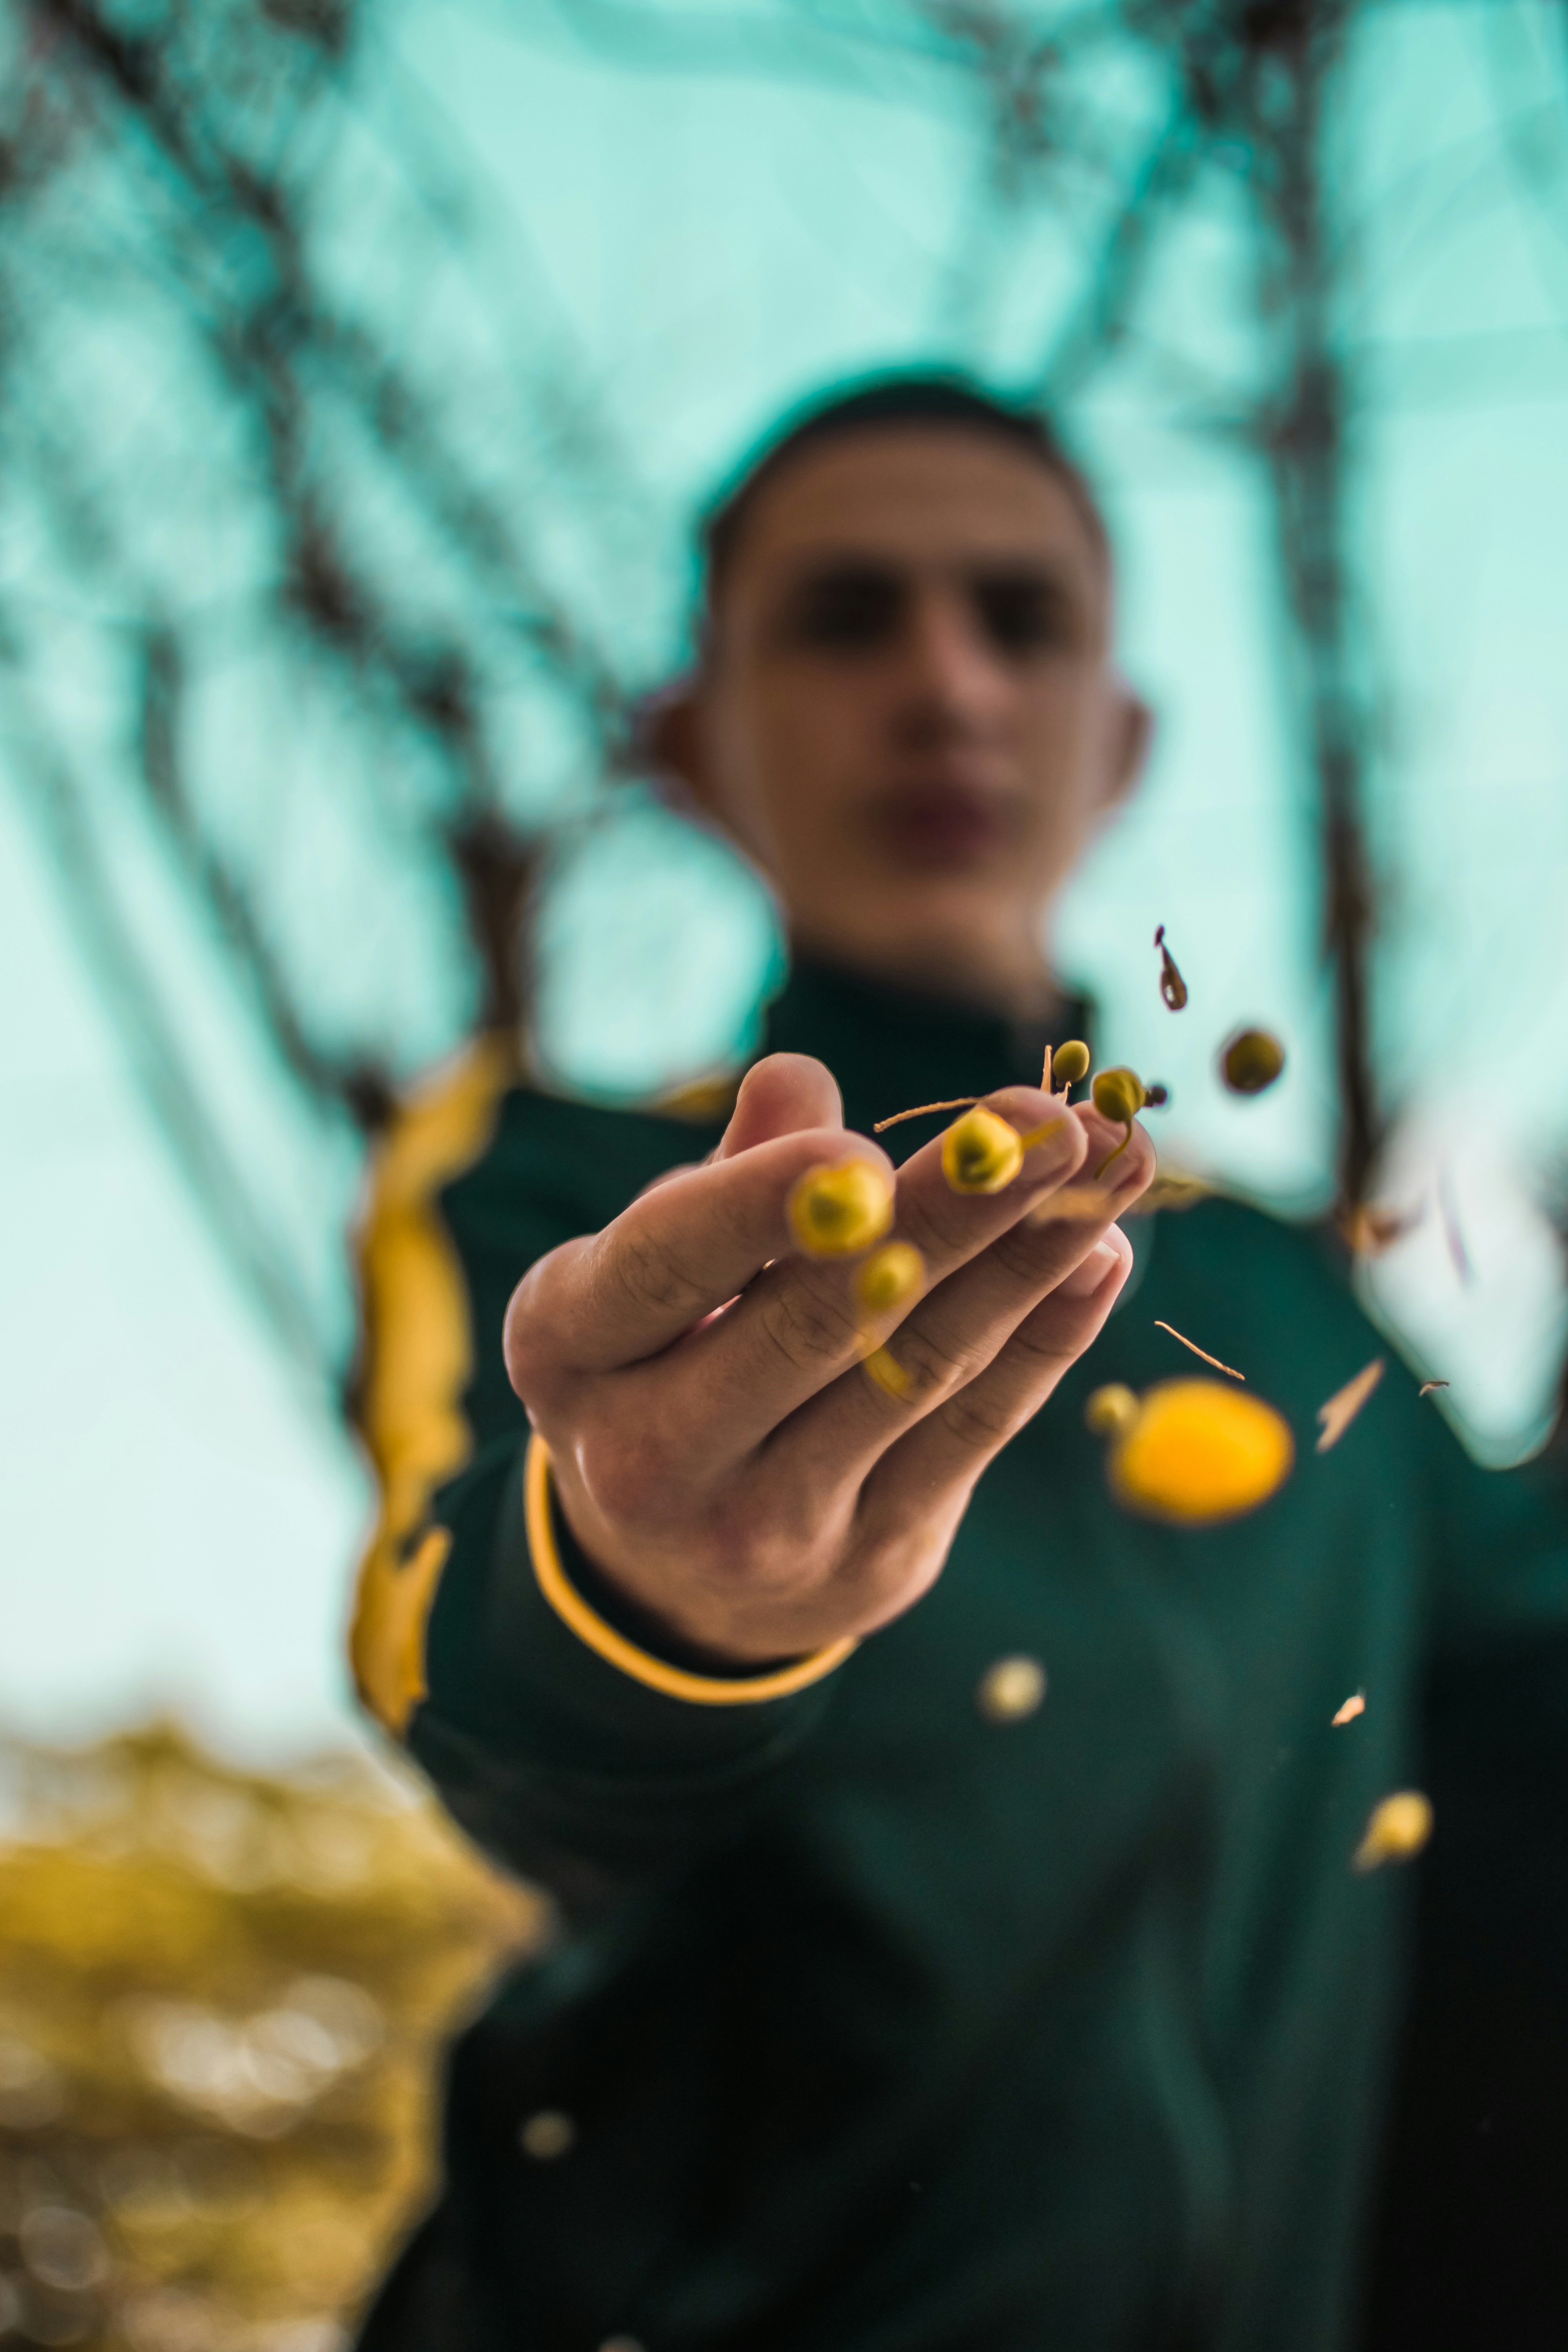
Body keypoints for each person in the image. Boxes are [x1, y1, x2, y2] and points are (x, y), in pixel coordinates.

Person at [345, 376, 1568, 2352]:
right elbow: (452, 1653)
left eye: (1021, 620)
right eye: (845, 620)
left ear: (1121, 736)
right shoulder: (557, 1195)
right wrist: (641, 1593)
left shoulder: (1296, 1311)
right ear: (687, 745)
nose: (945, 685)